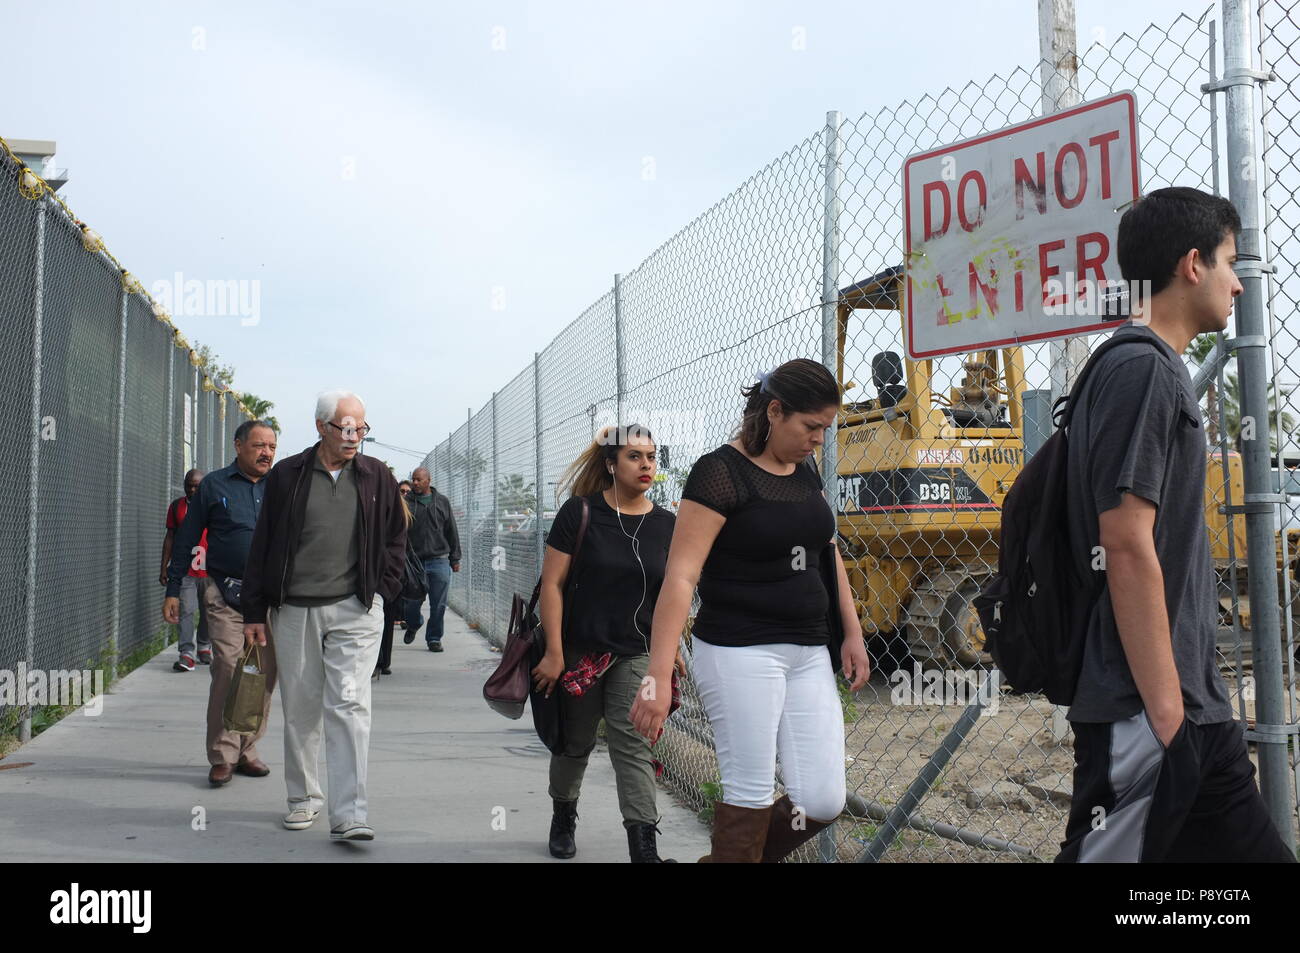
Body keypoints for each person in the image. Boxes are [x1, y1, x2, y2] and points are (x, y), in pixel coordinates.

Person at [1054, 187, 1294, 863]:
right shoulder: (1143, 370)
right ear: (1192, 265)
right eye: (1228, 260)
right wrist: (1168, 714)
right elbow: (1125, 543)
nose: (1238, 282)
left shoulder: (1145, 366)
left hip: (1180, 704)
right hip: (1151, 707)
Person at [630, 358, 870, 862]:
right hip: (740, 649)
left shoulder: (803, 473)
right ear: (775, 411)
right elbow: (680, 576)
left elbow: (827, 552)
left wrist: (852, 632)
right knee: (750, 791)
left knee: (823, 798)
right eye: (810, 427)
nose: (818, 441)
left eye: (825, 429)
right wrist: (657, 674)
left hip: (809, 649)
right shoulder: (720, 473)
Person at [242, 390, 406, 841]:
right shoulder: (287, 476)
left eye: (361, 428)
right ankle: (303, 799)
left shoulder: (377, 477)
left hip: (355, 611)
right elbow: (264, 544)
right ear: (321, 428)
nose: (354, 436)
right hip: (294, 610)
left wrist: (380, 593)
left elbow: (396, 537)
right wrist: (254, 609)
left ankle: (350, 812)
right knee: (301, 708)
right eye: (345, 427)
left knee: (350, 706)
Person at [534, 424, 680, 863]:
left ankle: (644, 850)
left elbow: (671, 597)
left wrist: (669, 655)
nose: (646, 465)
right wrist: (555, 652)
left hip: (636, 654)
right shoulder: (579, 513)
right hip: (579, 651)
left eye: (652, 457)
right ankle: (563, 816)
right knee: (574, 744)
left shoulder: (668, 525)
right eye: (635, 457)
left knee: (633, 746)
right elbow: (552, 586)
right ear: (611, 465)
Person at [163, 423, 279, 787]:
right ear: (238, 446)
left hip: (271, 598)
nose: (266, 453)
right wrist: (172, 588)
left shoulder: (282, 486)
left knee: (262, 675)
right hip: (224, 592)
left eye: (272, 446)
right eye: (259, 445)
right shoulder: (214, 484)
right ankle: (222, 754)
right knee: (228, 668)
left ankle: (247, 750)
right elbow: (185, 536)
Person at [403, 467, 461, 652]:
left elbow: (452, 530)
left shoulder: (442, 502)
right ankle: (414, 623)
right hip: (414, 563)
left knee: (439, 604)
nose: (415, 483)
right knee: (411, 603)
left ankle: (434, 638)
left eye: (419, 479)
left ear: (429, 480)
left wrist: (455, 558)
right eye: (413, 479)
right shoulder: (405, 502)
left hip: (439, 560)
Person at [161, 469, 211, 672]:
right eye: (188, 485)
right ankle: (186, 653)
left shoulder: (213, 505)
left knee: (209, 610)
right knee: (186, 610)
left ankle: (204, 646)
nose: (192, 489)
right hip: (186, 570)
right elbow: (170, 537)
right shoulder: (177, 507)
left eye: (196, 486)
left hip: (209, 569)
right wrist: (164, 565)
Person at [375, 494, 415, 678]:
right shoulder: (402, 514)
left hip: (384, 574)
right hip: (394, 575)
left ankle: (378, 660)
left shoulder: (383, 513)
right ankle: (385, 662)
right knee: (387, 620)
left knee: (378, 620)